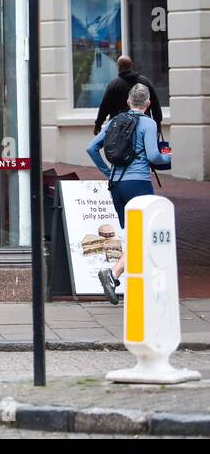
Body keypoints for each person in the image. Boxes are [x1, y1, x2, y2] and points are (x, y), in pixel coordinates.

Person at [86, 83, 171, 304]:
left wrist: (107, 172)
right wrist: (167, 157)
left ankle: (129, 281)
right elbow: (153, 155)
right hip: (139, 184)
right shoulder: (148, 123)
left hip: (116, 184)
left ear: (128, 102)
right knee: (144, 235)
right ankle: (114, 274)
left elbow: (92, 148)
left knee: (133, 234)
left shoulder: (115, 121)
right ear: (148, 103)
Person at [94, 55, 164, 134]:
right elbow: (155, 105)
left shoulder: (114, 85)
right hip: (142, 127)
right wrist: (158, 123)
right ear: (131, 66)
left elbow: (105, 107)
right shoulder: (145, 82)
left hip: (119, 130)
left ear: (119, 67)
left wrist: (98, 124)